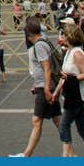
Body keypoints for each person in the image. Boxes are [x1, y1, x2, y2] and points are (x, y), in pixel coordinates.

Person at [12, 18, 60, 157]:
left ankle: (26, 155)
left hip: (45, 88)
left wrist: (45, 88)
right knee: (58, 121)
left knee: (37, 120)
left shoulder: (39, 46)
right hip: (44, 85)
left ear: (29, 34)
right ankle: (71, 152)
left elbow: (47, 68)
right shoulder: (44, 42)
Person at [53, 23, 84, 157]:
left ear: (70, 36)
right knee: (82, 127)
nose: (62, 37)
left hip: (76, 94)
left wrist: (72, 78)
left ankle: (67, 155)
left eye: (64, 34)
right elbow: (64, 75)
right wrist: (56, 92)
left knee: (64, 124)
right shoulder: (69, 52)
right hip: (70, 93)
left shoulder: (77, 54)